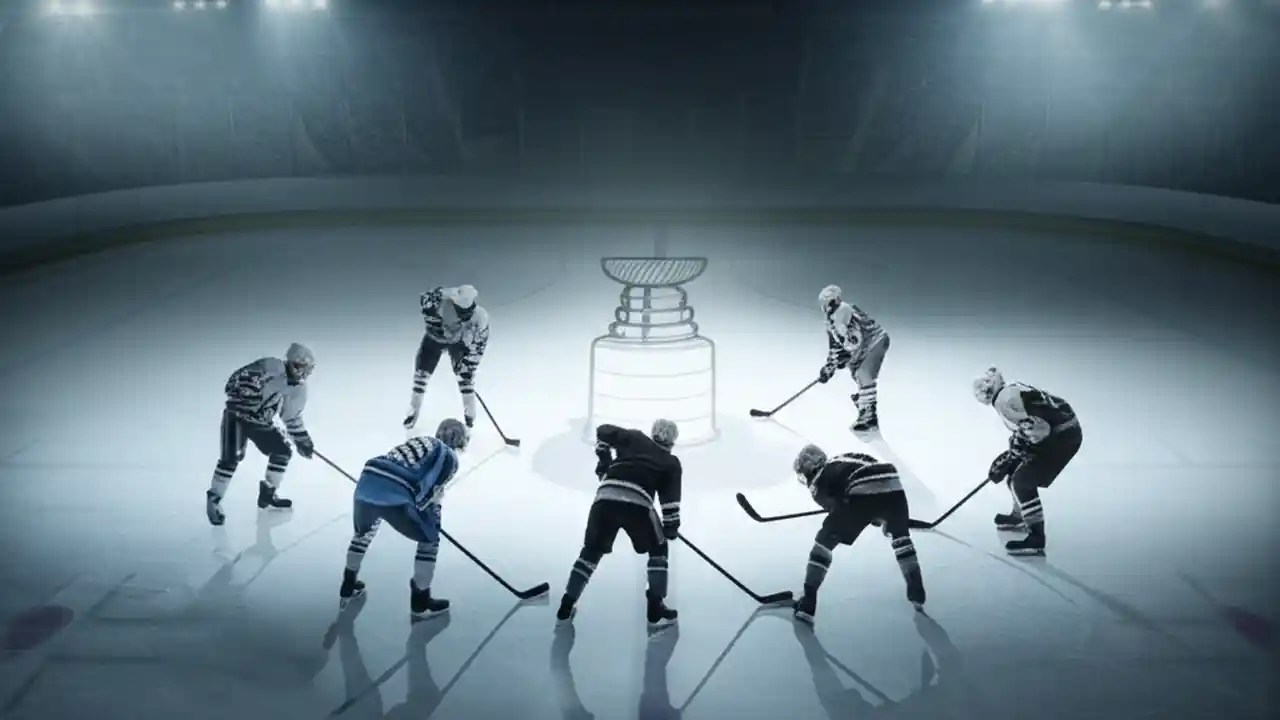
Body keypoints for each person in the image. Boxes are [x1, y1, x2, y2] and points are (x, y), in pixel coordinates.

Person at [556, 420, 683, 630]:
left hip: (604, 498)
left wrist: (604, 464)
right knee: (658, 549)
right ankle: (655, 606)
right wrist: (670, 527)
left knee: (590, 552)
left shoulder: (634, 437)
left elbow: (603, 431)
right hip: (638, 505)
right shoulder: (670, 462)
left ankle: (567, 603)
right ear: (672, 442)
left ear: (653, 434)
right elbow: (670, 500)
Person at [338, 419, 470, 619]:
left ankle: (348, 584)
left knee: (364, 533)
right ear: (460, 440)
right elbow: (427, 498)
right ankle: (420, 600)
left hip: (368, 478)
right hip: (396, 490)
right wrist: (432, 520)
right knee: (430, 539)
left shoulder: (422, 441)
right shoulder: (449, 457)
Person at [791, 444, 925, 625]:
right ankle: (916, 592)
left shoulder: (819, 480)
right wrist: (881, 516)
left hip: (861, 483)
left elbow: (840, 509)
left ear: (807, 469)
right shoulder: (841, 459)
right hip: (892, 480)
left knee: (824, 541)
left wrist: (857, 512)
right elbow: (872, 494)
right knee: (901, 537)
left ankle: (807, 603)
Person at [973, 367, 1082, 556]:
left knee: (1023, 481)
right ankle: (1021, 516)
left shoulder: (1004, 402)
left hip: (1062, 437)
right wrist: (1014, 454)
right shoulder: (1011, 389)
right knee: (1015, 470)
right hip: (1063, 430)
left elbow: (1039, 430)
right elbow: (1030, 424)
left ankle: (1036, 538)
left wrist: (1016, 453)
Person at [206, 343, 316, 526]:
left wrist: (302, 440)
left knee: (282, 451)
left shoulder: (299, 389)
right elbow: (234, 384)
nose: (301, 374)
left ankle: (268, 494)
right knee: (231, 457)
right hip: (237, 417)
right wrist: (247, 398)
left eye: (306, 369)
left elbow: (291, 417)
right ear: (288, 362)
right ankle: (214, 498)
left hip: (259, 423)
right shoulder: (271, 366)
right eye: (298, 367)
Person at [404, 285, 490, 430]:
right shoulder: (440, 300)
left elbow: (479, 346)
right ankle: (413, 411)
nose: (464, 315)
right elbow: (425, 298)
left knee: (465, 379)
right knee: (421, 375)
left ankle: (470, 419)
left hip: (458, 342)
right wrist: (430, 304)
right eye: (460, 311)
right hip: (434, 339)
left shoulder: (480, 318)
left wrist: (468, 365)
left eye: (467, 312)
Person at [816, 284, 890, 434]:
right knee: (856, 371)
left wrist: (843, 354)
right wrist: (830, 366)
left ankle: (869, 416)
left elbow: (855, 340)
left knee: (864, 374)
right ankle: (865, 400)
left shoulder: (845, 310)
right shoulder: (831, 322)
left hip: (875, 341)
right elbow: (835, 346)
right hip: (863, 348)